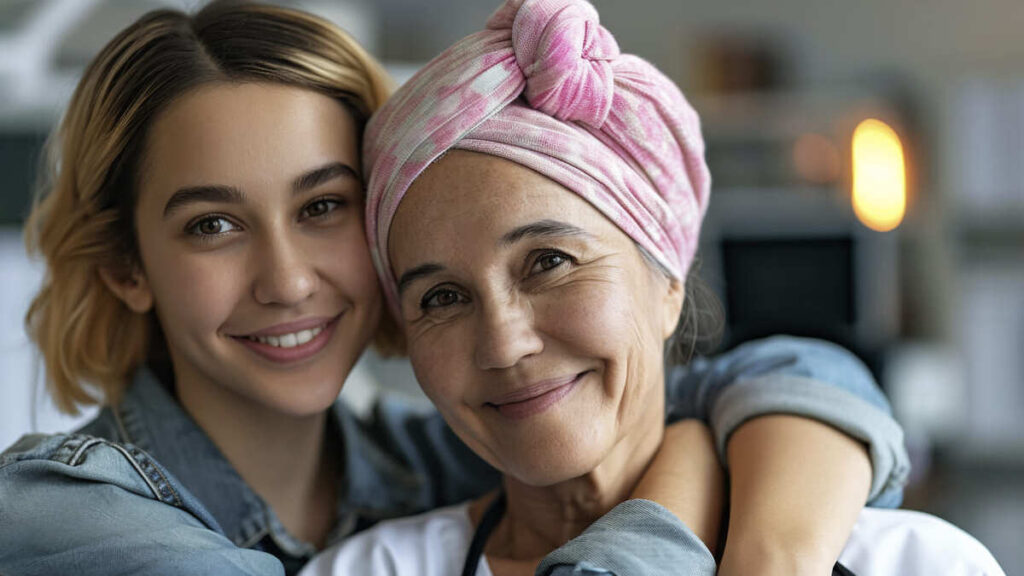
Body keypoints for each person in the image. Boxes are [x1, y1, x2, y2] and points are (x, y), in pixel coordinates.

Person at [0, 1, 910, 576]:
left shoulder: (429, 462)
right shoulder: (56, 512)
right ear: (125, 268)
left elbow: (782, 377)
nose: (286, 280)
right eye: (213, 225)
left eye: (323, 206)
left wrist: (774, 551)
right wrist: (679, 485)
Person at [300, 1, 1005, 575]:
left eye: (549, 261)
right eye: (442, 297)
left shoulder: (914, 563)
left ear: (667, 283)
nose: (504, 343)